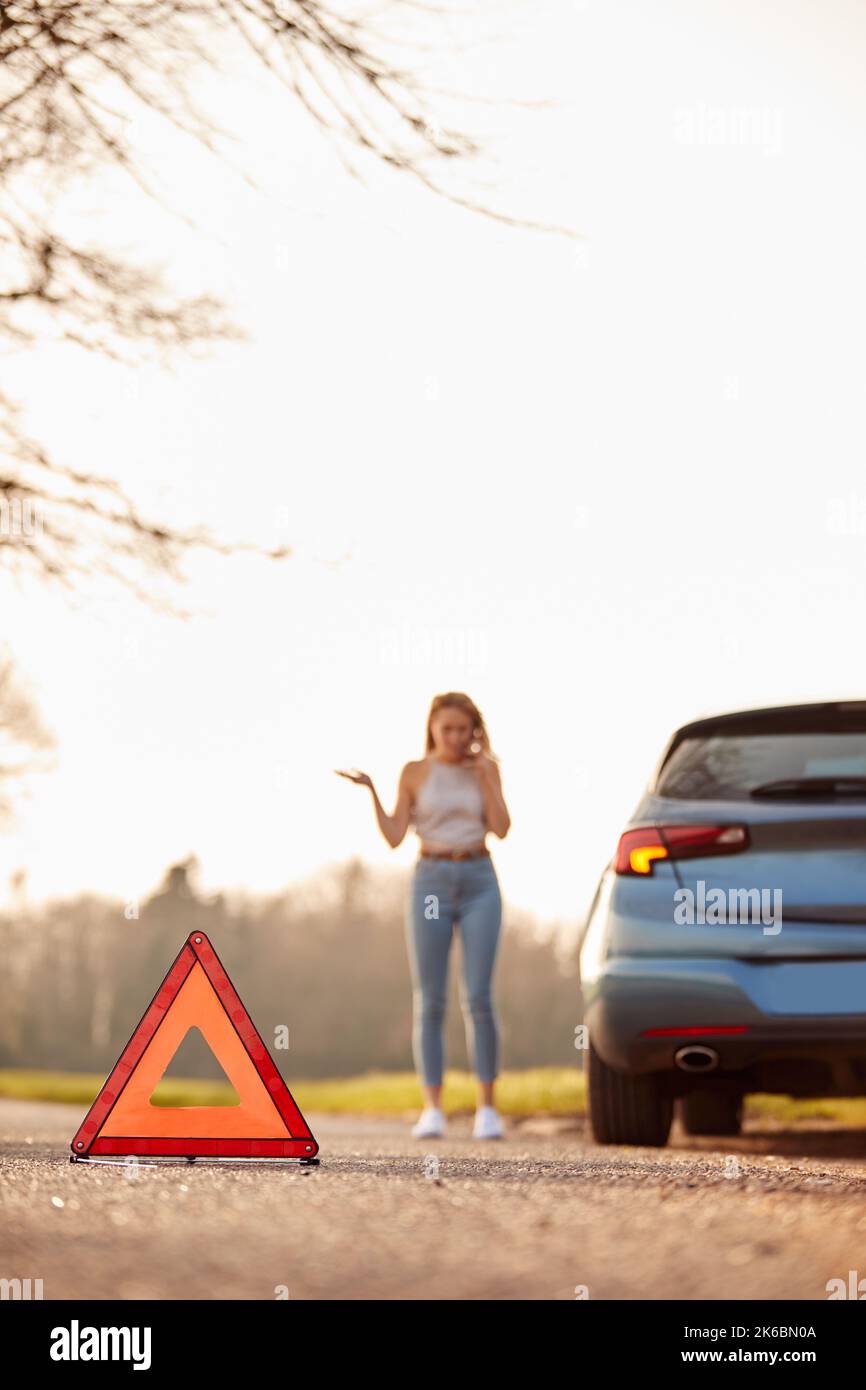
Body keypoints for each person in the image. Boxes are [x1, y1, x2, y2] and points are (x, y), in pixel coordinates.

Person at [335, 691, 511, 1139]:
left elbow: (503, 828)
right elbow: (395, 836)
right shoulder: (414, 772)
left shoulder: (486, 768)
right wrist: (373, 791)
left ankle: (486, 1111)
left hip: (479, 879)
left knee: (478, 997)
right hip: (431, 880)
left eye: (462, 730)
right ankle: (432, 1109)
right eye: (445, 728)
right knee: (430, 1000)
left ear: (474, 731)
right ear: (432, 728)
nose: (454, 737)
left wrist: (487, 777)